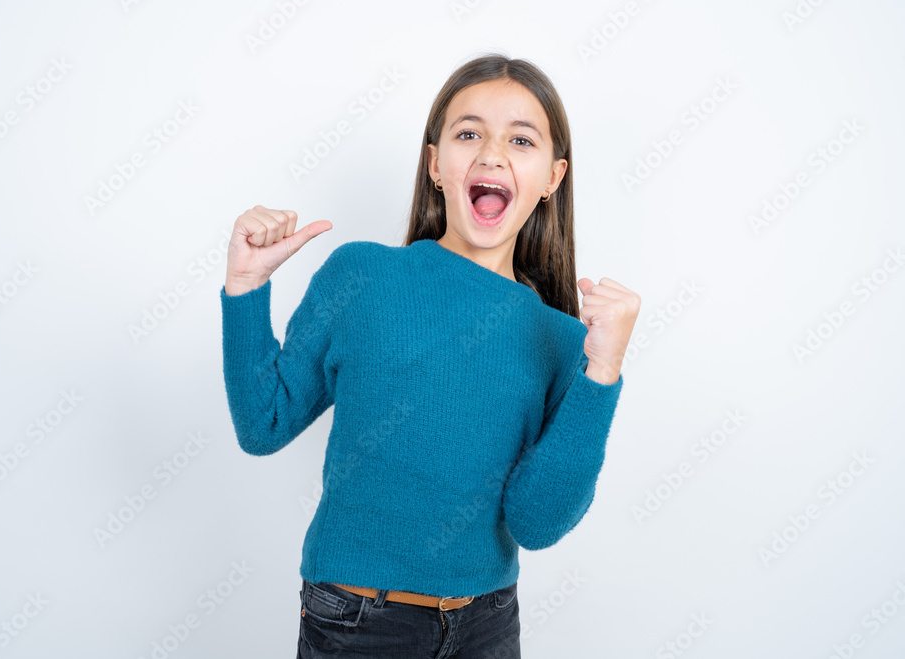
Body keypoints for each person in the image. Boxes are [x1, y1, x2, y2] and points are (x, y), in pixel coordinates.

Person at [220, 52, 641, 658]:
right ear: (436, 163)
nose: (492, 153)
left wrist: (602, 372)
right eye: (468, 133)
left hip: (488, 628)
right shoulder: (362, 275)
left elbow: (537, 523)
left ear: (552, 178)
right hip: (358, 624)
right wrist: (245, 287)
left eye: (521, 140)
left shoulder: (560, 337)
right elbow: (263, 424)